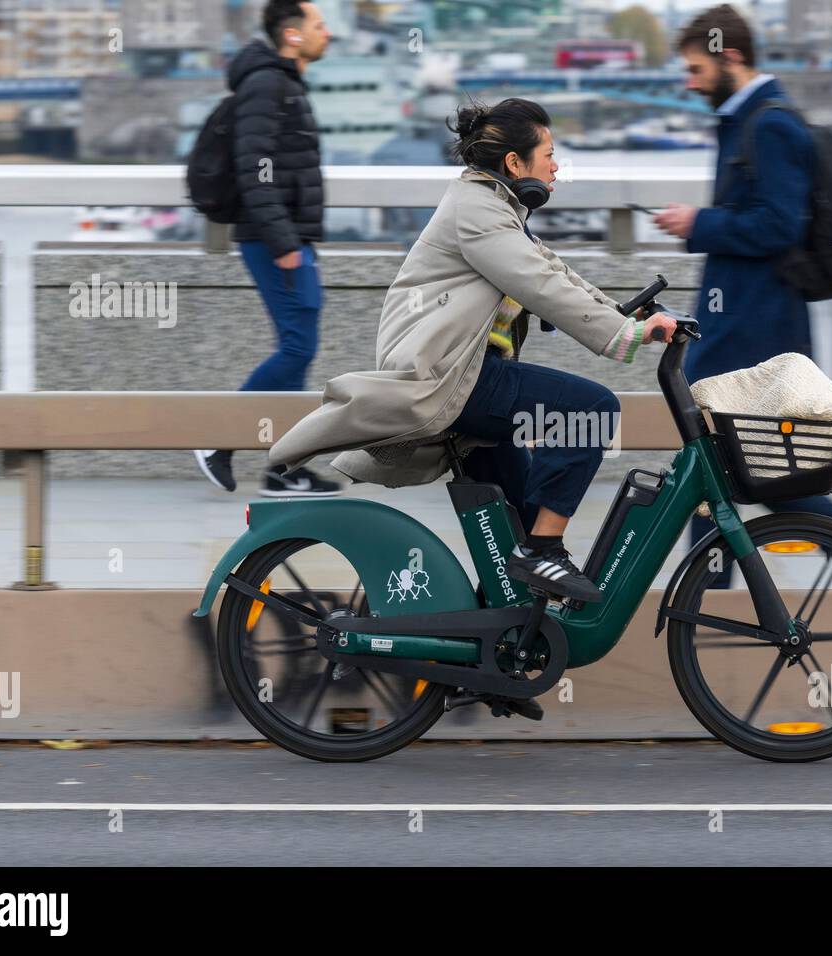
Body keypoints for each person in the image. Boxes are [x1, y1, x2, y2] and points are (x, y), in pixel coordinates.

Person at [268, 97, 678, 602]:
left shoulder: (495, 206)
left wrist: (623, 315)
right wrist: (625, 336)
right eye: (549, 154)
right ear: (515, 163)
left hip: (470, 376)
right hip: (455, 378)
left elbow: (553, 271)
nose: (556, 166)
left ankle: (501, 629)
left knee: (519, 524)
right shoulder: (477, 210)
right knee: (591, 410)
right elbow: (538, 284)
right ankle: (544, 552)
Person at [655, 4, 832, 584]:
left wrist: (699, 223)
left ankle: (715, 595)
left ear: (731, 57)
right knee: (738, 468)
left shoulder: (770, 124)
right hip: (743, 323)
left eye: (696, 69)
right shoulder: (748, 119)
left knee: (734, 467)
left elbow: (779, 225)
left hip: (754, 330)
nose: (690, 83)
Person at [194, 0, 343, 498]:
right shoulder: (267, 84)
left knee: (299, 349)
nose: (327, 33)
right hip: (274, 239)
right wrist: (283, 242)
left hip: (290, 236)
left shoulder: (283, 83)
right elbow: (253, 166)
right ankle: (219, 437)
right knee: (298, 346)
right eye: (319, 25)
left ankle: (284, 468)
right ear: (292, 34)